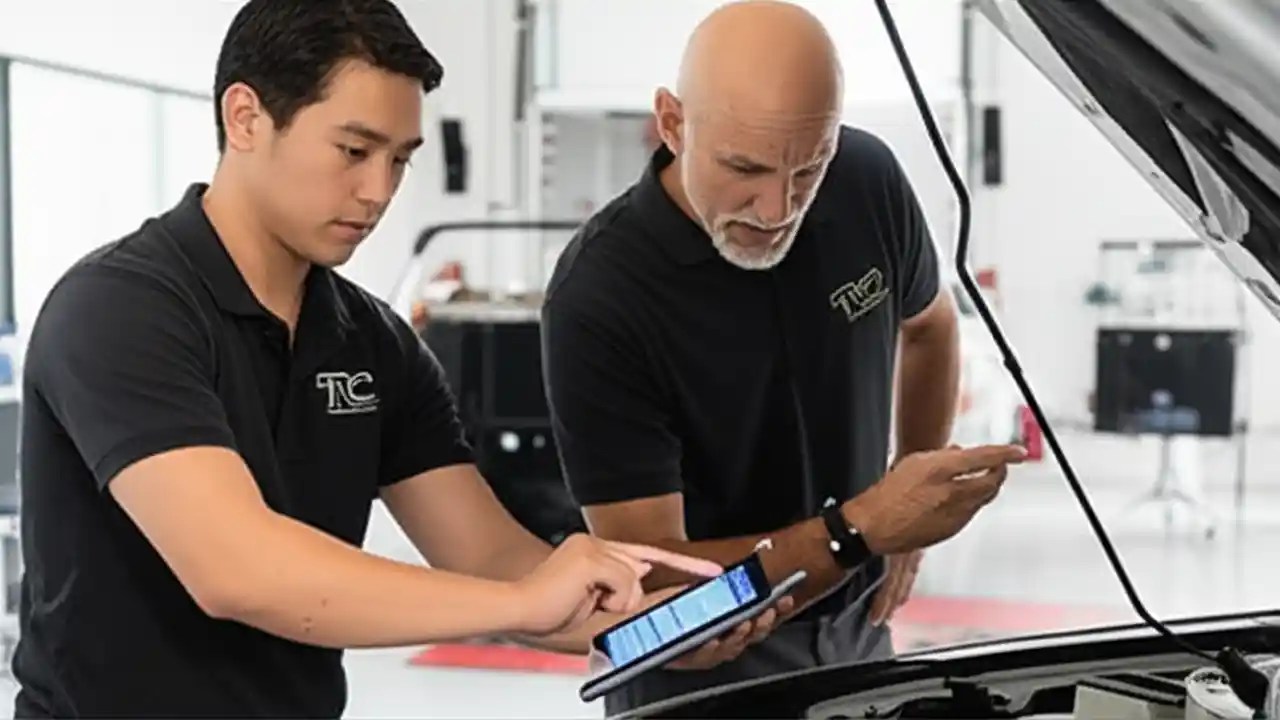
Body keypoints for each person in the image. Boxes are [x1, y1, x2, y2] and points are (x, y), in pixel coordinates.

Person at [9, 1, 733, 718]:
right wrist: (522, 599)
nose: (379, 191)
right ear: (245, 117)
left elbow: (490, 559)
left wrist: (653, 627)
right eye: (354, 151)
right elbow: (235, 568)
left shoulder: (374, 342)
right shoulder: (120, 308)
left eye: (400, 159)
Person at [540, 0, 1027, 713]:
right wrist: (865, 529)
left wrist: (907, 515)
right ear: (673, 124)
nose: (777, 209)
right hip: (704, 663)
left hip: (860, 625)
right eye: (745, 168)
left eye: (808, 170)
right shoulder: (601, 295)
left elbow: (930, 326)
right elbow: (653, 576)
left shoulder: (866, 179)